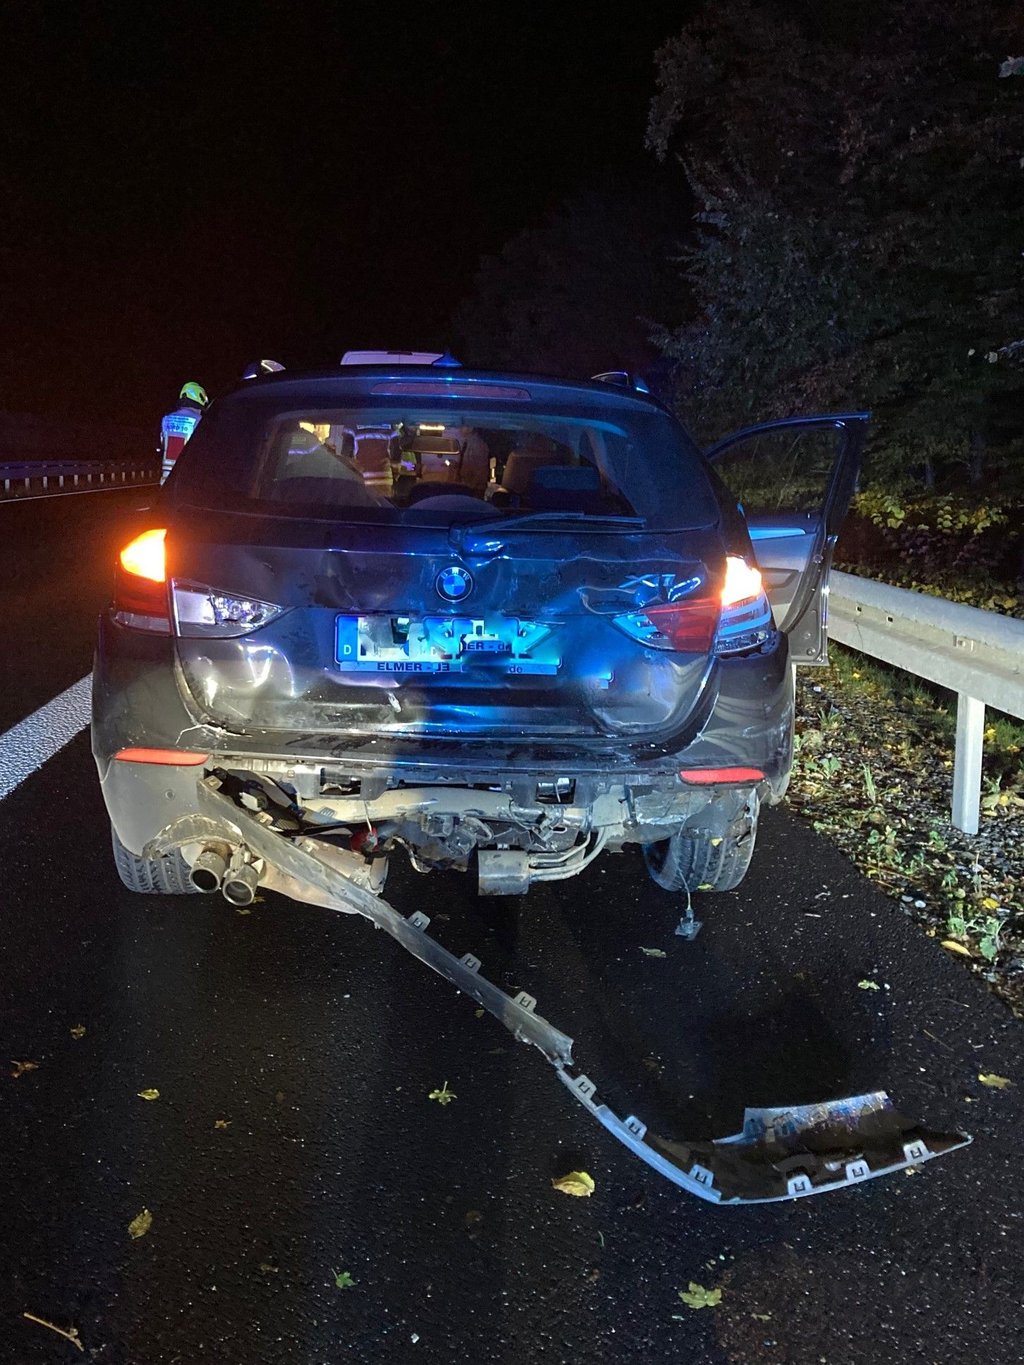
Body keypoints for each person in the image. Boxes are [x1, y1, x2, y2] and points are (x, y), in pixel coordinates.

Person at [159, 381, 208, 484]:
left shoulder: (166, 419)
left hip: (166, 480)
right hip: (188, 481)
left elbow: (163, 445)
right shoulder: (199, 421)